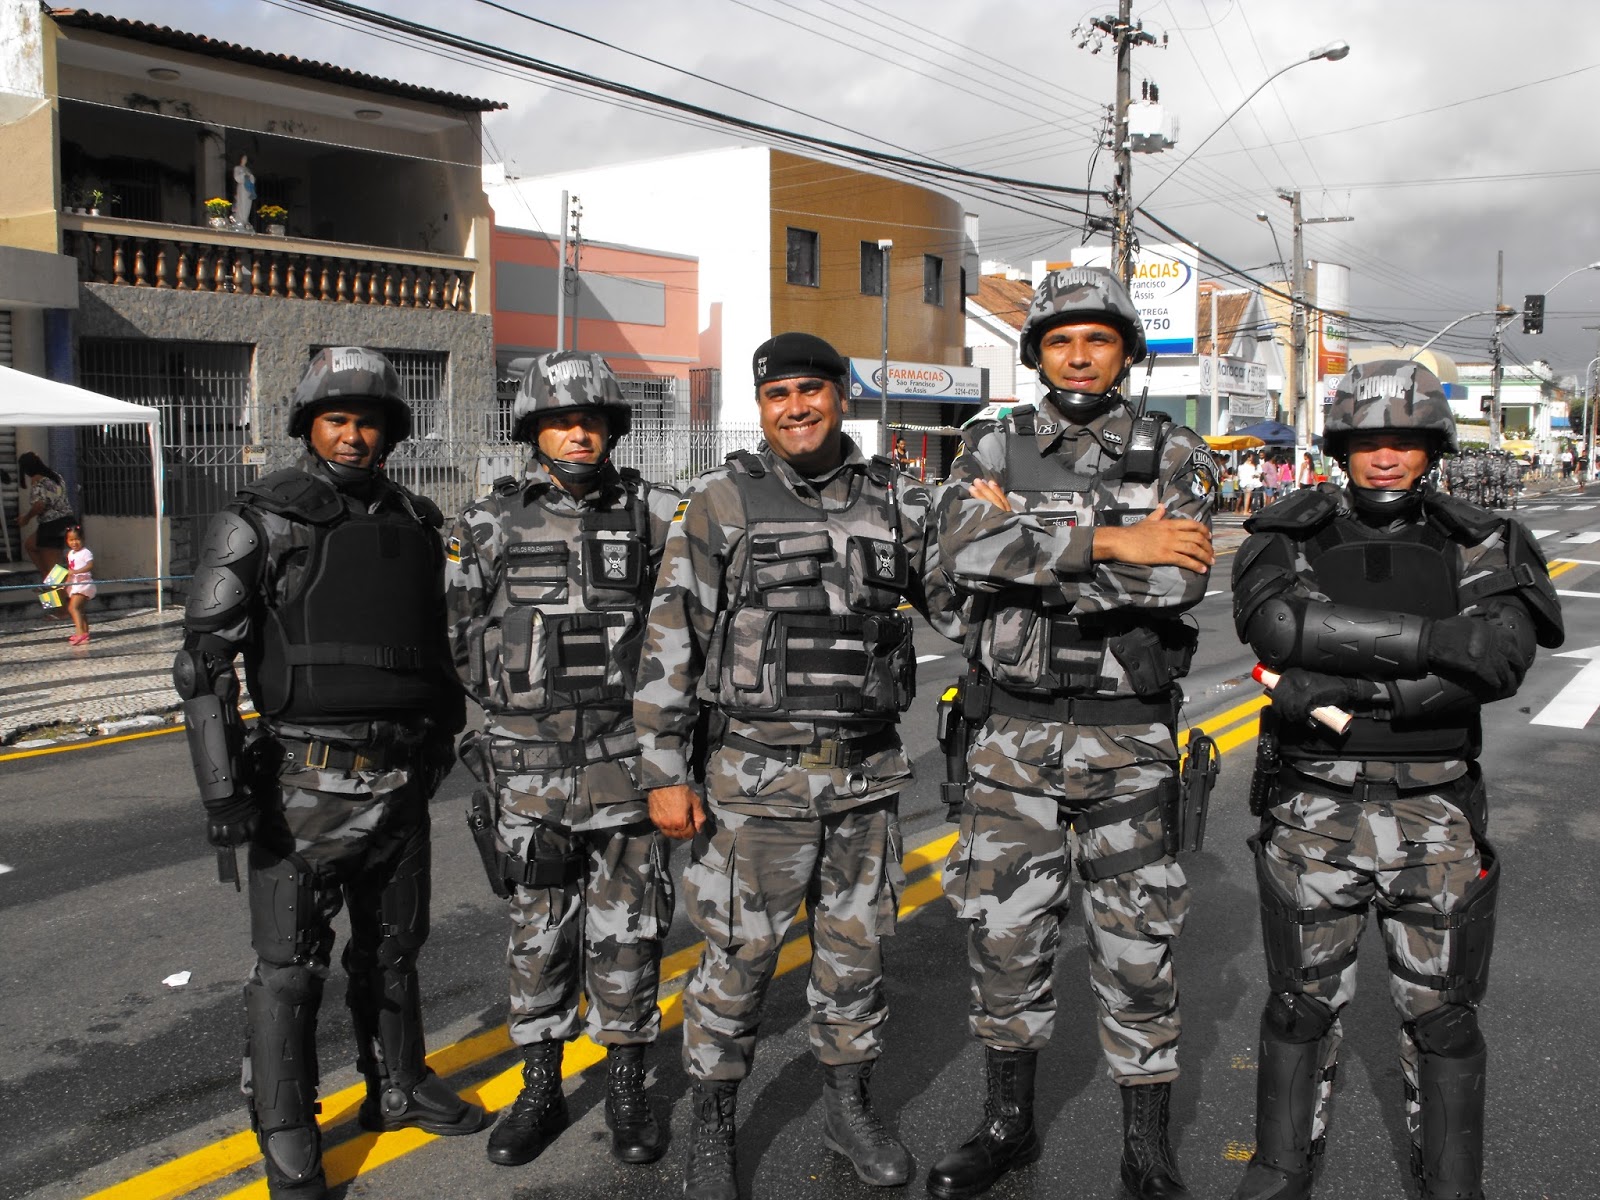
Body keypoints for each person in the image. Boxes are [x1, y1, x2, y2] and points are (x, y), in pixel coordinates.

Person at [634, 331, 962, 1200]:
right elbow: (673, 636)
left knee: (854, 957)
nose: (796, 408)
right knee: (737, 961)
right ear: (762, 406)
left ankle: (847, 1108)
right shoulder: (720, 502)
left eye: (811, 390)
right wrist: (664, 768)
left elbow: (959, 608)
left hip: (865, 780)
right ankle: (713, 1126)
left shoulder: (899, 502)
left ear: (841, 396)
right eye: (778, 395)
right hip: (757, 783)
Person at [1229, 360, 1563, 1200]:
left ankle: (1452, 1185)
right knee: (1298, 1008)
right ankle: (1280, 1171)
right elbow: (1275, 624)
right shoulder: (1291, 530)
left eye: (1405, 441)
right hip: (1315, 807)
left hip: (1436, 811)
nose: (1386, 458)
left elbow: (1499, 653)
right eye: (1369, 440)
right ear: (1342, 446)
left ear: (1432, 448)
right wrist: (1434, 642)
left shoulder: (1477, 534)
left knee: (1445, 1020)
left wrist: (1358, 680)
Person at [927, 266, 1217, 1200]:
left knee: (1138, 949)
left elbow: (1179, 581)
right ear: (1038, 353)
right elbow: (958, 557)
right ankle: (1007, 1125)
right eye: (1060, 340)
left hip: (1127, 740)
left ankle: (1146, 1145)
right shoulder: (991, 443)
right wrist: (1113, 542)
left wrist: (1033, 550)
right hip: (1010, 743)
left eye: (1098, 338)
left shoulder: (1175, 452)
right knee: (1006, 943)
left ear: (1127, 351)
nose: (1080, 354)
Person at [173, 347, 484, 1200]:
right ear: (308, 423)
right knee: (290, 969)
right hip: (301, 785)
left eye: (371, 421)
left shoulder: (418, 521)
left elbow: (438, 640)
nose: (355, 435)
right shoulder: (261, 518)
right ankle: (285, 1129)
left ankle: (398, 1083)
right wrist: (221, 792)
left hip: (400, 780)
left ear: (393, 431)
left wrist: (440, 743)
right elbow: (204, 665)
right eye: (338, 419)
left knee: (393, 951)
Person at [445, 351, 681, 1171]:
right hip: (530, 770)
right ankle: (540, 1086)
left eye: (591, 420)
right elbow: (460, 632)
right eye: (560, 420)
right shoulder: (487, 520)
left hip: (628, 762)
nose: (578, 432)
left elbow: (684, 629)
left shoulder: (657, 515)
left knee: (630, 930)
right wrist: (520, 710)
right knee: (539, 932)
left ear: (612, 429)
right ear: (534, 432)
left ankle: (626, 1087)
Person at [15, 451, 75, 577]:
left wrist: (26, 518)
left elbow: (40, 505)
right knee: (30, 545)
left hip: (51, 527)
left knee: (53, 574)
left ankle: (57, 593)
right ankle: (46, 578)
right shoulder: (56, 477)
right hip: (67, 521)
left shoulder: (39, 482)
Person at [62, 523, 95, 644]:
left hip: (84, 584)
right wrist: (66, 582)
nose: (74, 542)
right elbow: (71, 569)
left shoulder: (86, 552)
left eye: (77, 539)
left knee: (73, 607)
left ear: (82, 539)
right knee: (80, 609)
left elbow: (90, 565)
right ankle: (85, 632)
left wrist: (76, 572)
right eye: (71, 540)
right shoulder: (70, 554)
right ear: (67, 541)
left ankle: (79, 633)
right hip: (75, 584)